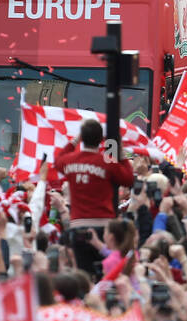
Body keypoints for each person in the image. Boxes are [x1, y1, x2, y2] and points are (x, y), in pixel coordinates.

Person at [53, 117, 134, 278]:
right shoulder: (107, 161)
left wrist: (75, 140)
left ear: (83, 138)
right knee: (109, 274)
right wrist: (120, 150)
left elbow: (58, 159)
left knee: (84, 275)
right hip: (104, 227)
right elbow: (128, 178)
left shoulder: (69, 160)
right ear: (100, 139)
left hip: (78, 226)